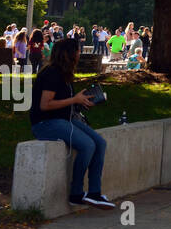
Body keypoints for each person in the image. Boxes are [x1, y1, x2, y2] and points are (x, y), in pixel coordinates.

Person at [29, 39, 114, 209]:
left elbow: (64, 101)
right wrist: (74, 99)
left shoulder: (64, 73)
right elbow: (45, 105)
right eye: (76, 51)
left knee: (100, 143)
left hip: (64, 119)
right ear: (68, 54)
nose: (78, 54)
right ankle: (76, 193)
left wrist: (79, 102)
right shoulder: (52, 73)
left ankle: (94, 193)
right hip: (46, 123)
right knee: (88, 145)